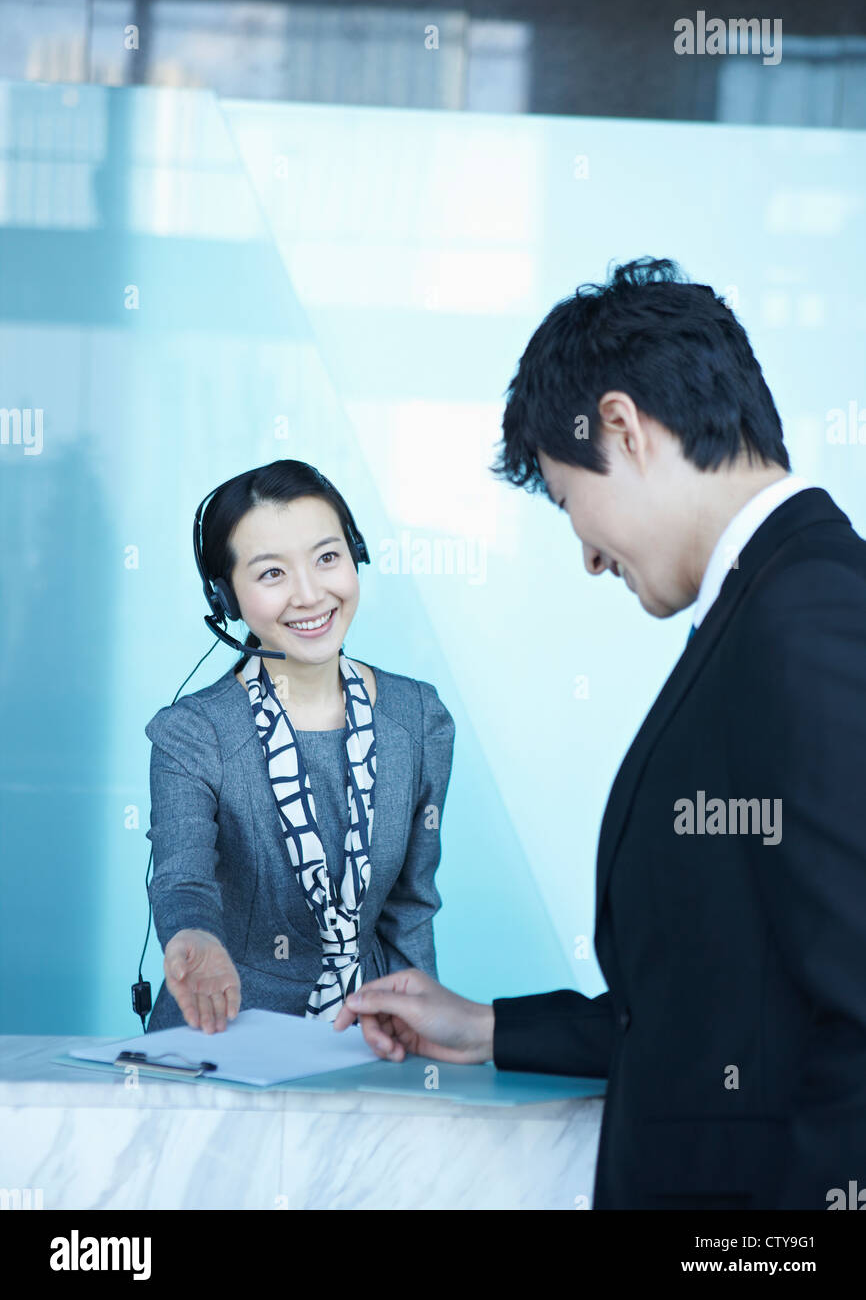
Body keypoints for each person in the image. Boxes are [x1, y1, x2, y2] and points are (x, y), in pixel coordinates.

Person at [334, 257, 866, 1211]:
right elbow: (728, 1007)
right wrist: (492, 1027)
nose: (585, 553)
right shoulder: (769, 608)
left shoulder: (809, 620)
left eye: (569, 498)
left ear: (620, 427)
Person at [144, 459, 456, 1035]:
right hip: (222, 1028)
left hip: (366, 1031)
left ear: (355, 555)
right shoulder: (193, 732)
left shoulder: (418, 717)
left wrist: (421, 1034)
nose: (311, 594)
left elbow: (412, 908)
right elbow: (182, 880)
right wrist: (193, 938)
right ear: (227, 598)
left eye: (327, 557)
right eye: (271, 574)